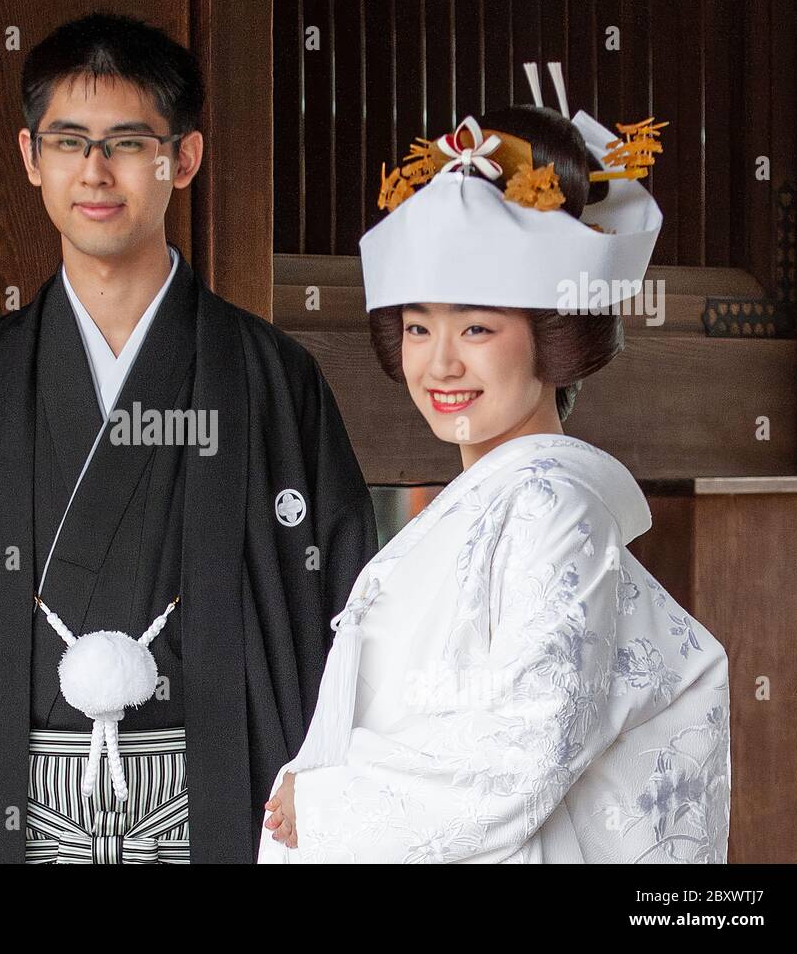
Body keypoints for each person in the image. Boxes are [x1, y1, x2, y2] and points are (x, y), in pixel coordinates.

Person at [0, 12, 378, 864]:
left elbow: (345, 623)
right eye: (69, 140)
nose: (96, 169)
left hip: (216, 820)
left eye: (127, 142)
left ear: (182, 158)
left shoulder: (272, 381)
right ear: (29, 156)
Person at [258, 63, 731, 863]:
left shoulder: (552, 505)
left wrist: (325, 803)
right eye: (417, 328)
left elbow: (527, 750)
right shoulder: (494, 500)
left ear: (551, 335)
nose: (440, 364)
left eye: (476, 328)